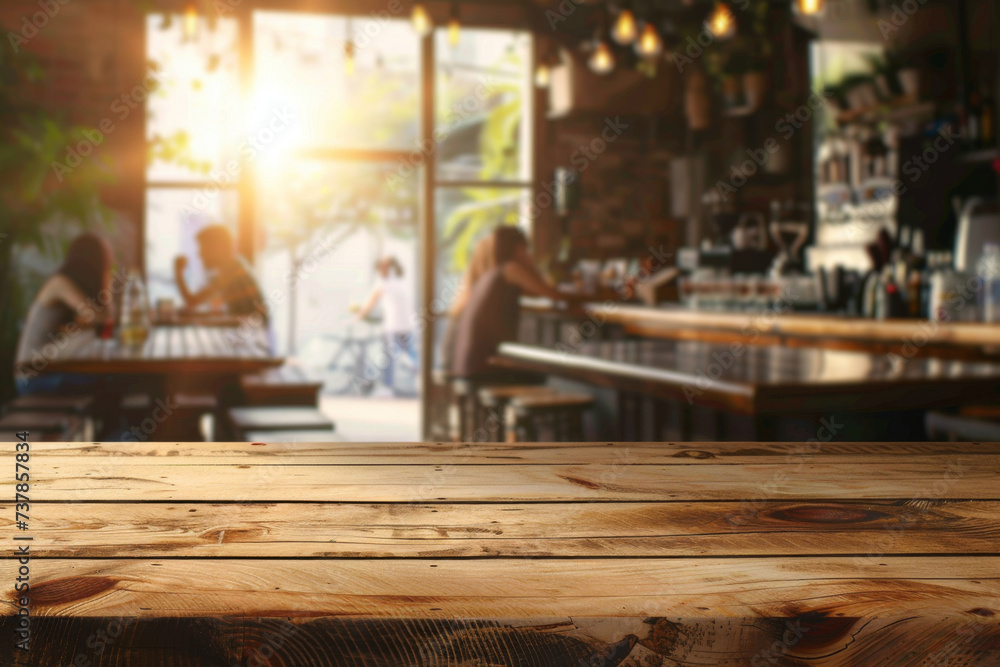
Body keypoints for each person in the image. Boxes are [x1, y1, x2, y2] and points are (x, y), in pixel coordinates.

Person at [450, 225, 583, 377]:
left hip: (470, 363)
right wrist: (587, 297)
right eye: (525, 249)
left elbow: (536, 293)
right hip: (486, 365)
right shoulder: (511, 269)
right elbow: (551, 294)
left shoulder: (490, 275)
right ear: (519, 247)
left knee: (541, 370)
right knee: (547, 375)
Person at [15, 233, 115, 395]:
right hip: (33, 378)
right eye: (107, 259)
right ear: (93, 259)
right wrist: (106, 279)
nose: (111, 262)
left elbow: (102, 320)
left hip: (48, 371)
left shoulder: (70, 285)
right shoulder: (59, 283)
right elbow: (101, 317)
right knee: (109, 380)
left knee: (109, 378)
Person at [174, 224, 268, 323]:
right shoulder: (233, 267)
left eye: (203, 248)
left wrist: (179, 272)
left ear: (218, 248)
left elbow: (192, 302)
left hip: (254, 333)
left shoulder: (231, 271)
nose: (200, 254)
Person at [356, 256, 418, 396]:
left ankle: (388, 388)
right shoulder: (402, 282)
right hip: (408, 325)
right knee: (410, 355)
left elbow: (369, 304)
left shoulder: (383, 283)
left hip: (393, 326)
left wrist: (358, 316)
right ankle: (423, 381)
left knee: (388, 358)